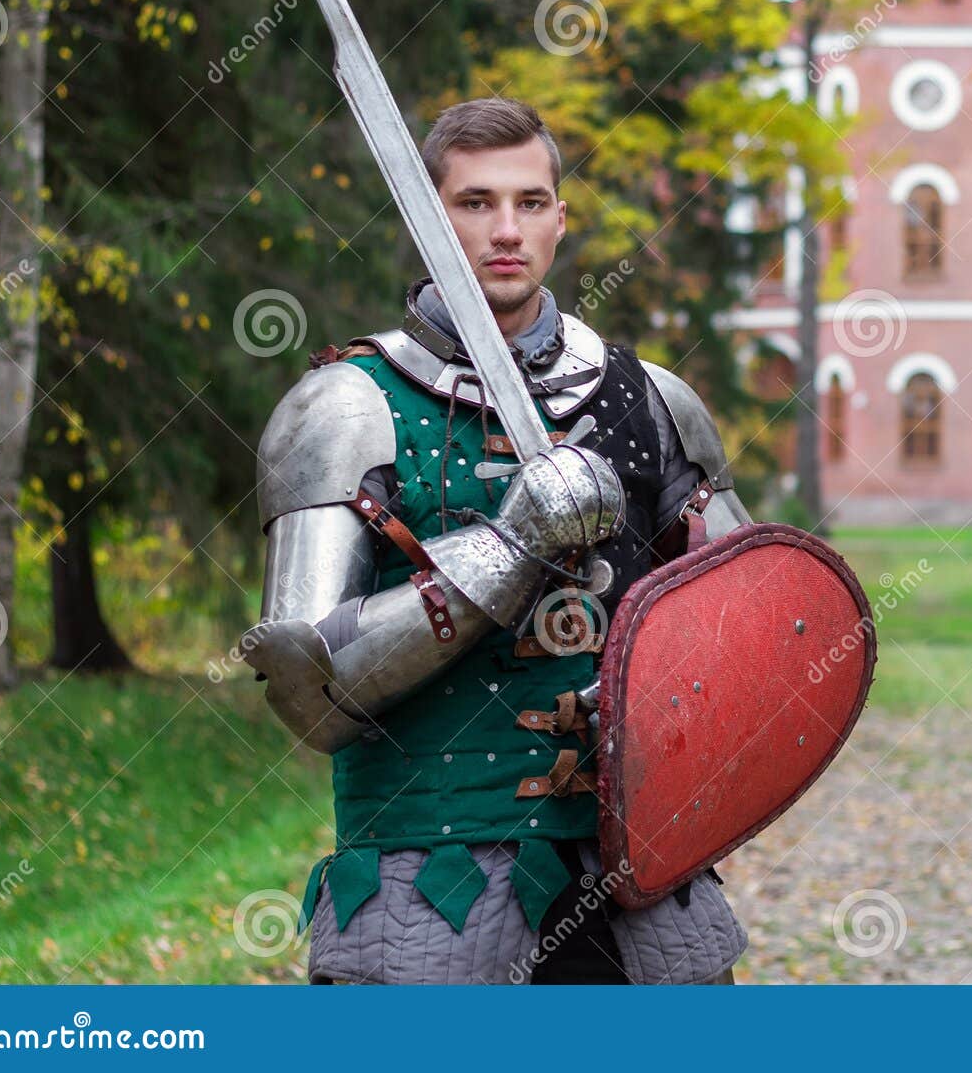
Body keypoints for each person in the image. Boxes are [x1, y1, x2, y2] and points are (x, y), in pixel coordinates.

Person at [241, 96, 752, 984]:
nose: (504, 230)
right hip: (426, 889)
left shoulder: (654, 401)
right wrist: (508, 550)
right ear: (428, 219)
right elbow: (309, 691)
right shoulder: (346, 405)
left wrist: (656, 699)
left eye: (529, 201)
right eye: (474, 203)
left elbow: (746, 636)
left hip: (642, 886)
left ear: (561, 217)